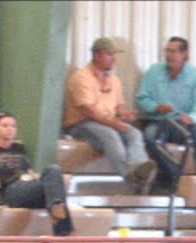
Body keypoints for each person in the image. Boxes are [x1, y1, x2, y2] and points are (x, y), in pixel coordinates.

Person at [62, 37, 157, 193]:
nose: (114, 59)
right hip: (81, 124)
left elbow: (119, 107)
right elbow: (88, 111)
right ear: (97, 55)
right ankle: (130, 177)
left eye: (114, 55)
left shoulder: (114, 80)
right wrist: (114, 123)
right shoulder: (81, 77)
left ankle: (139, 168)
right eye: (110, 54)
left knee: (134, 133)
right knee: (110, 135)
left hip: (107, 122)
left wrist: (126, 115)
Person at [0, 112, 74, 236]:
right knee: (53, 189)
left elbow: (27, 170)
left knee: (53, 169)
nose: (10, 129)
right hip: (12, 190)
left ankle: (57, 208)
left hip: (29, 185)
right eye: (5, 126)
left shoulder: (19, 148)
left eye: (13, 126)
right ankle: (63, 228)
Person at [135, 36, 196, 189]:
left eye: (173, 51)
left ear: (185, 54)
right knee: (151, 137)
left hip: (181, 123)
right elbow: (141, 97)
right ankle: (176, 177)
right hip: (159, 120)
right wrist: (155, 107)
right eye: (167, 51)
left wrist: (191, 118)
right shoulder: (154, 71)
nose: (168, 55)